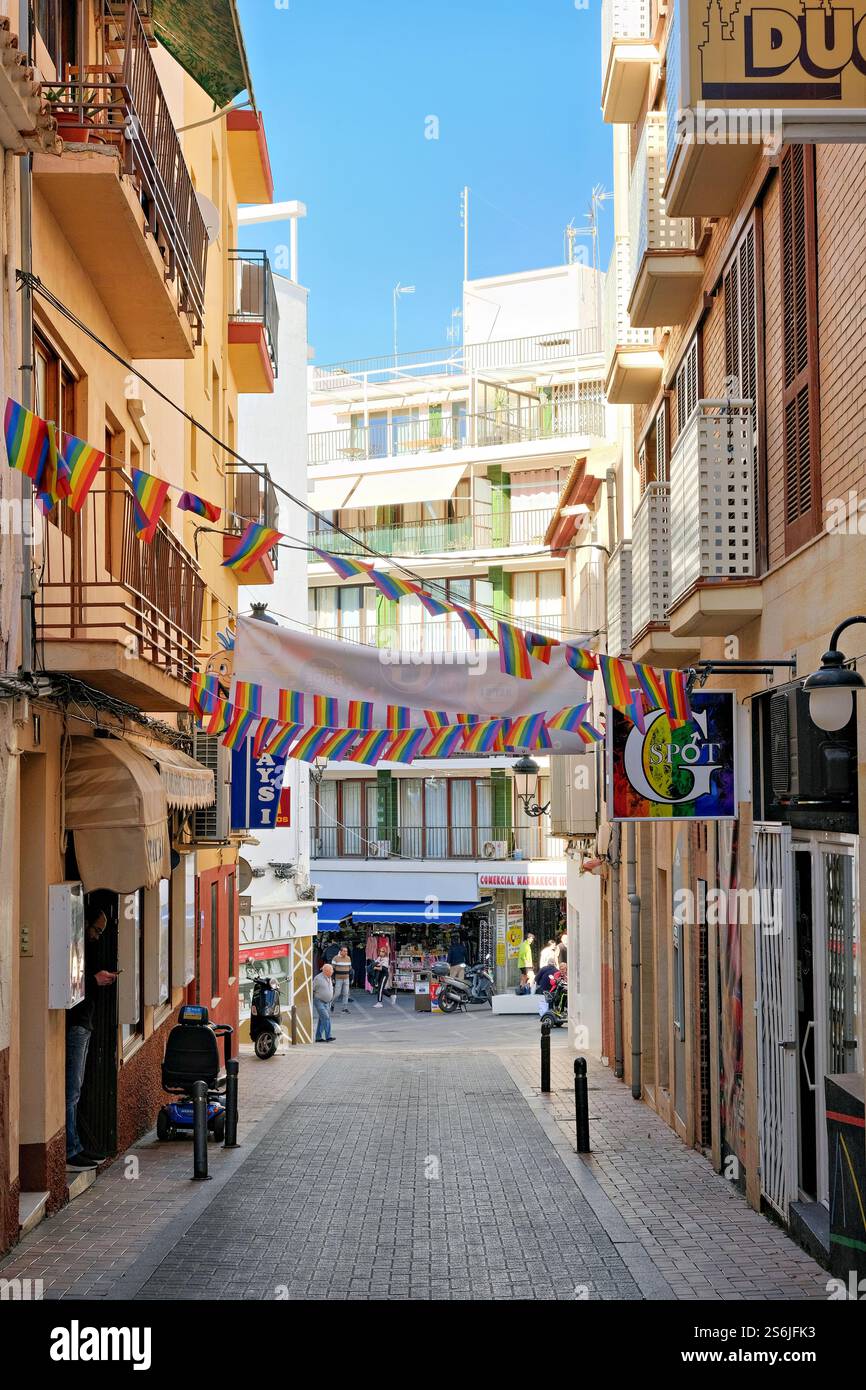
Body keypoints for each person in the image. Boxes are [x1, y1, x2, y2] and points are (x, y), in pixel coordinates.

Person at [66, 905, 117, 1170]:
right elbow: (68, 982)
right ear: (84, 923)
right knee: (72, 1090)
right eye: (97, 929)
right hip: (76, 1024)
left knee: (76, 1089)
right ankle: (71, 1149)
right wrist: (95, 980)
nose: (98, 936)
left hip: (83, 1024)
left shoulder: (86, 947)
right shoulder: (73, 947)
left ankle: (75, 1145)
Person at [312, 963, 335, 1041]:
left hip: (327, 1002)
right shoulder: (318, 978)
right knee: (326, 1017)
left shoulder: (329, 977)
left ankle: (318, 1037)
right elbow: (312, 989)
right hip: (319, 1001)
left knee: (322, 1019)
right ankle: (328, 1036)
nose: (332, 972)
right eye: (331, 970)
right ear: (325, 971)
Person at [331, 946, 352, 1012]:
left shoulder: (348, 958)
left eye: (347, 951)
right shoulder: (335, 958)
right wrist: (332, 978)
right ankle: (332, 1004)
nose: (346, 952)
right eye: (344, 951)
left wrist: (351, 975)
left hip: (346, 978)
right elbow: (332, 968)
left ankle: (344, 1008)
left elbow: (350, 967)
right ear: (341, 951)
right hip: (338, 978)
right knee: (337, 993)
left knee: (346, 993)